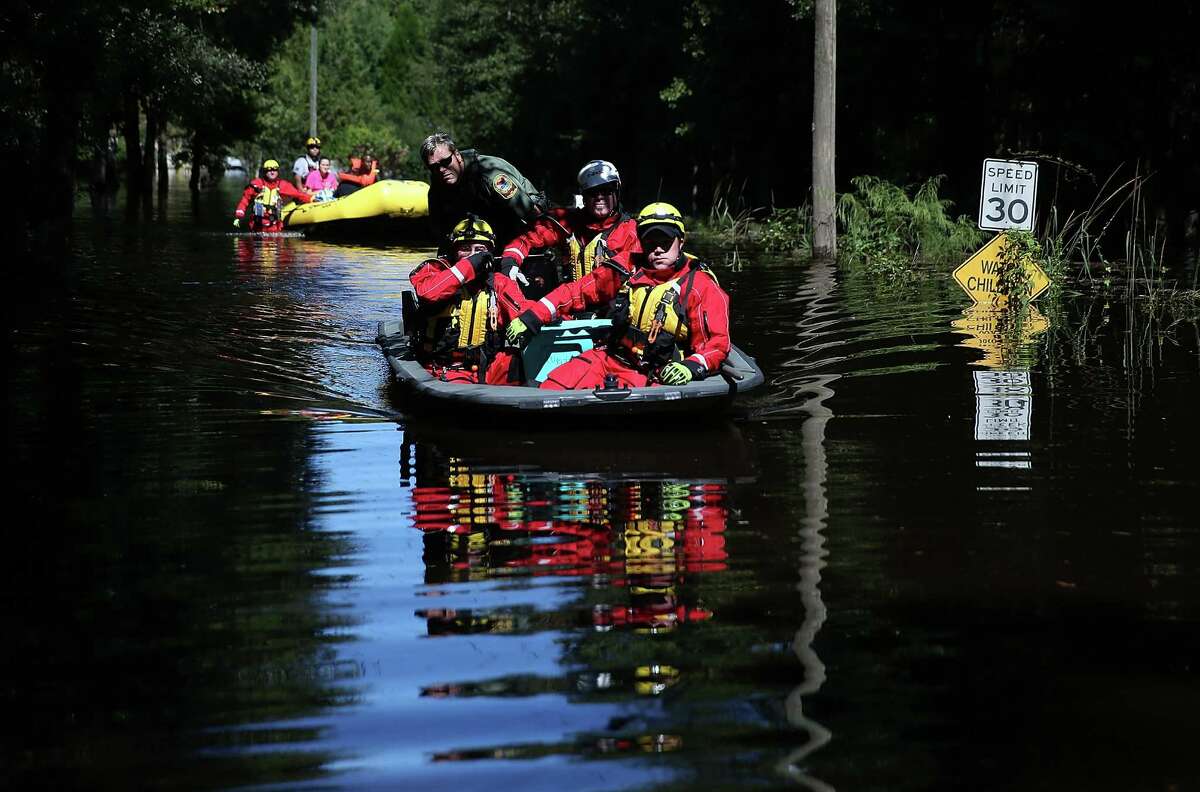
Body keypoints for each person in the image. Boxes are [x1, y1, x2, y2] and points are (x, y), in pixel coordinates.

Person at [506, 202, 730, 390]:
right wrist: (533, 317)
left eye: (665, 242)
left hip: (657, 372)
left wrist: (691, 366)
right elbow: (576, 293)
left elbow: (717, 343)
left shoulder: (700, 285)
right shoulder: (627, 267)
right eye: (650, 242)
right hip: (611, 357)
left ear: (681, 241)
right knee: (551, 388)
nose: (658, 249)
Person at [408, 216, 533, 384]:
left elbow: (524, 311)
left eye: (479, 250)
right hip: (448, 369)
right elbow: (428, 292)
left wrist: (552, 316)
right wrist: (469, 266)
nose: (473, 255)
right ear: (454, 251)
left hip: (487, 367)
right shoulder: (435, 271)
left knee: (516, 361)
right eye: (465, 249)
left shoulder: (498, 283)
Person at [497, 159, 640, 298]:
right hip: (570, 310)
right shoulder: (566, 222)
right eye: (592, 192)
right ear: (583, 196)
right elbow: (528, 238)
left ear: (617, 192)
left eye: (606, 190)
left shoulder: (631, 230)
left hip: (614, 312)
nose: (599, 197)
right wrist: (510, 261)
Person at [421, 132, 548, 251]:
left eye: (445, 161)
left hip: (521, 227)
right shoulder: (437, 188)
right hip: (480, 240)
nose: (441, 169)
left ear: (457, 155)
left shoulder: (491, 174)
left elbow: (532, 212)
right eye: (434, 167)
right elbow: (440, 233)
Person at [232, 159, 312, 232]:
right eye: (269, 170)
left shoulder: (283, 185)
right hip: (257, 225)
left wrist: (311, 200)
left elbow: (299, 195)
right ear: (264, 171)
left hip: (275, 225)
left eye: (274, 170)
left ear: (278, 171)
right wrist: (238, 216)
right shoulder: (256, 184)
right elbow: (245, 200)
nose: (272, 172)